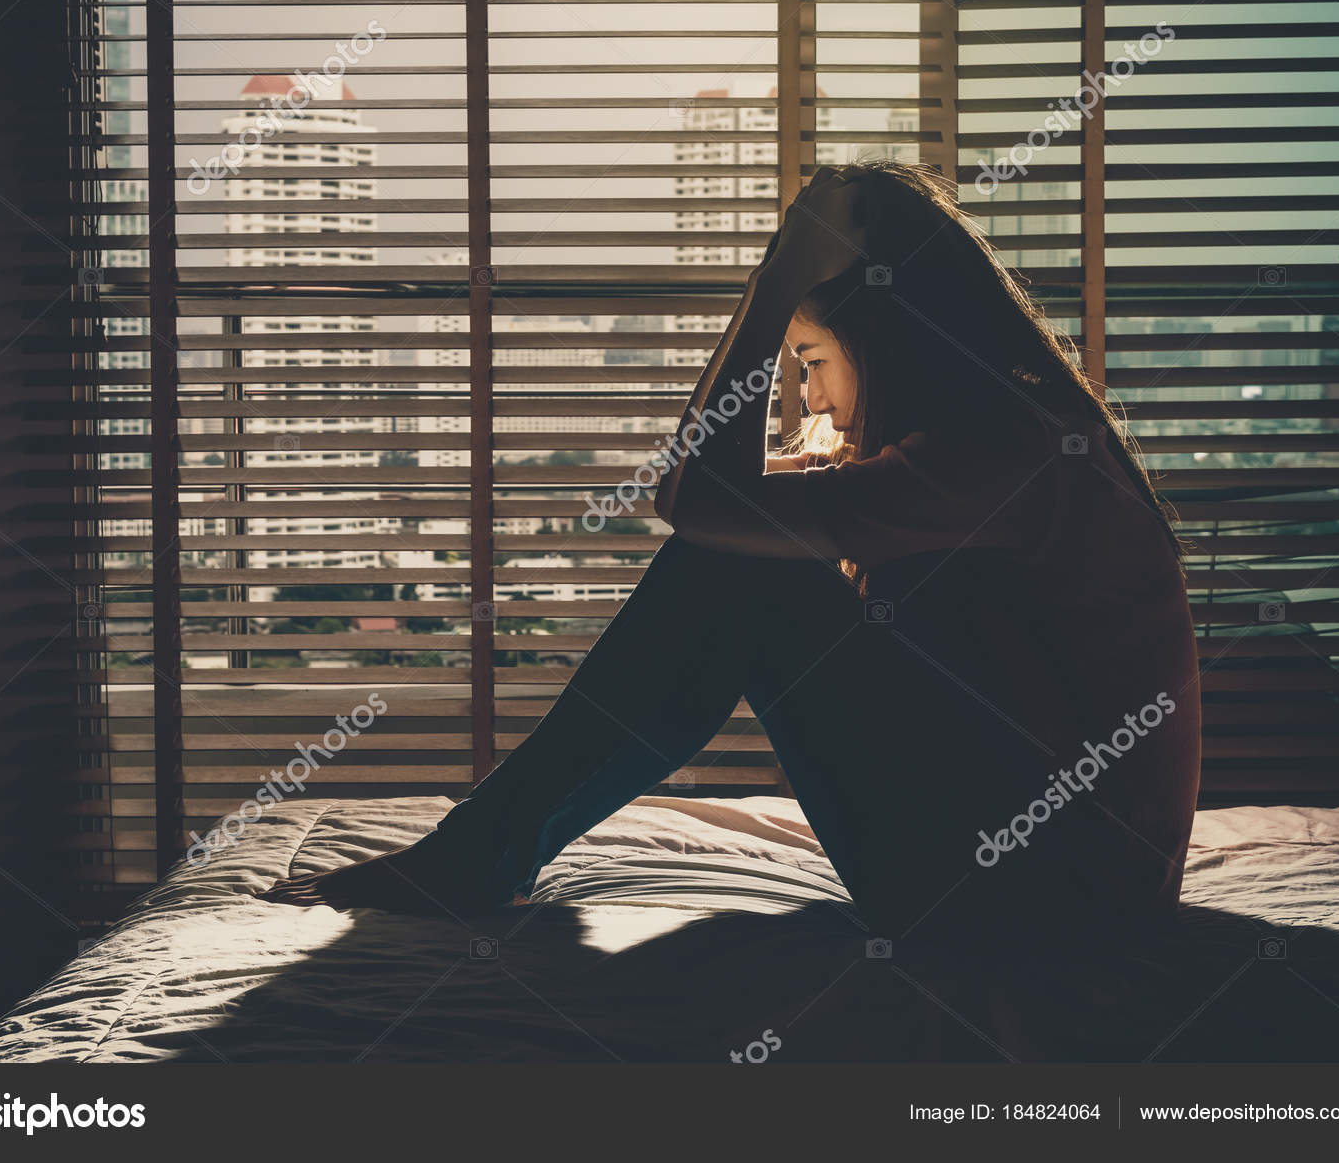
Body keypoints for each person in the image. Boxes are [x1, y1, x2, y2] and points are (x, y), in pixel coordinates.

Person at [261, 161, 1201, 944]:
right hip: (1046, 878)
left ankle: (475, 857)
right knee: (740, 564)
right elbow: (714, 497)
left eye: (810, 363)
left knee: (736, 570)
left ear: (888, 342)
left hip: (1052, 903)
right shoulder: (975, 441)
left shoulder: (1001, 454)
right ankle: (481, 852)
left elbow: (695, 499)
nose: (812, 401)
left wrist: (773, 283)